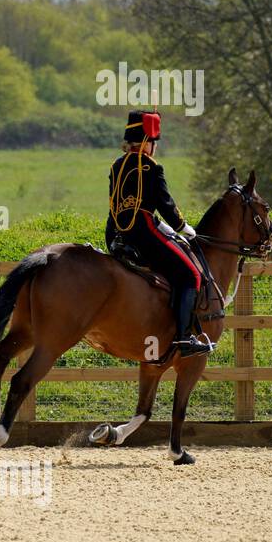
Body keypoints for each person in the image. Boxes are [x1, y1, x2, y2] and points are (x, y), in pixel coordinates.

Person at [105, 109, 213, 357]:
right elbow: (165, 203)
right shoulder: (152, 167)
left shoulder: (116, 166)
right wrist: (183, 227)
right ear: (146, 143)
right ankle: (185, 339)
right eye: (153, 142)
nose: (155, 147)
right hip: (144, 232)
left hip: (116, 233)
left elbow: (117, 204)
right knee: (191, 276)